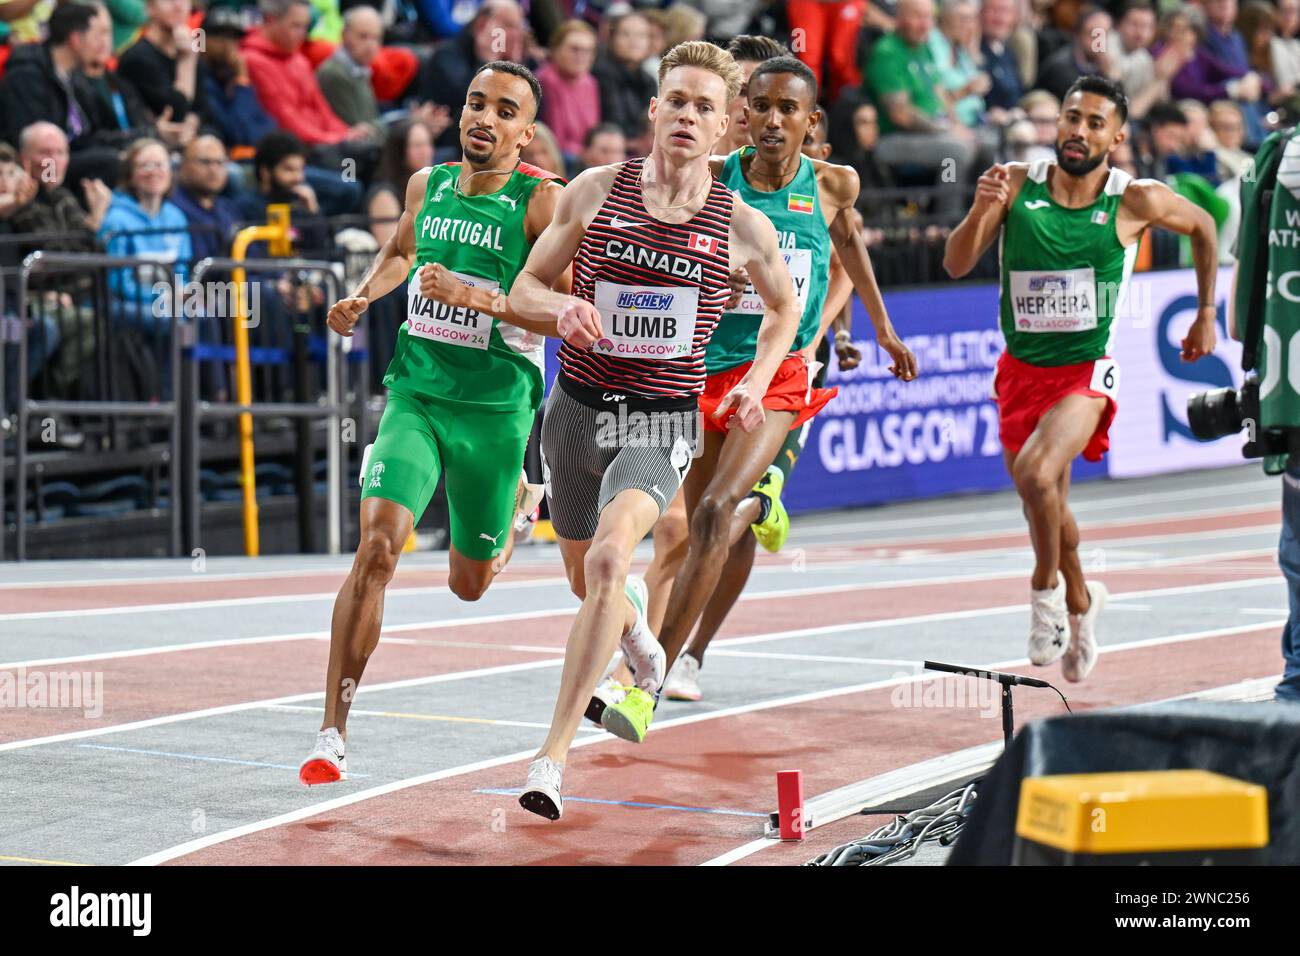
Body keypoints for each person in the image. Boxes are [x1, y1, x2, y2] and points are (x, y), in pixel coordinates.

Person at [507, 40, 806, 820]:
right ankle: (643, 642)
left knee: (611, 561)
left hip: (662, 418)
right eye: (676, 100)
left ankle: (553, 758)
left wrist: (755, 379)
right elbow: (526, 285)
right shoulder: (592, 192)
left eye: (705, 107)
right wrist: (560, 309)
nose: (687, 116)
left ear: (726, 127)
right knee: (586, 584)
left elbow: (785, 308)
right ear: (653, 109)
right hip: (574, 414)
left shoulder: (741, 224)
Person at [297, 61, 566, 786]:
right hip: (416, 394)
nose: (485, 117)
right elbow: (404, 253)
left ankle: (514, 510)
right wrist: (362, 296)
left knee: (469, 586)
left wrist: (477, 295)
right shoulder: (428, 185)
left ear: (526, 131)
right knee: (379, 546)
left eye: (505, 110)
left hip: (498, 413)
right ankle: (332, 731)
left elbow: (563, 311)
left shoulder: (542, 202)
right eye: (476, 102)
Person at [627, 56, 914, 712]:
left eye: (790, 109)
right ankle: (765, 505)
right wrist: (708, 279)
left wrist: (880, 329)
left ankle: (661, 670)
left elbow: (850, 248)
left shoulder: (834, 183)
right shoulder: (713, 179)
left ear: (812, 121)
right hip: (705, 368)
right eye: (761, 106)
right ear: (741, 116)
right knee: (707, 528)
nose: (774, 119)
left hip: (780, 370)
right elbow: (668, 253)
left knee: (711, 514)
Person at [942, 75, 1219, 682]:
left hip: (1086, 373)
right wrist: (983, 208)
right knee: (1046, 501)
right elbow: (956, 263)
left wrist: (1205, 312)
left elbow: (1204, 225)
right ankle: (1083, 600)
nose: (1079, 131)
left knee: (1036, 475)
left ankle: (1045, 595)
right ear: (1058, 123)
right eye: (1072, 117)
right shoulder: (1015, 184)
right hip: (1020, 373)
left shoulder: (1135, 199)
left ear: (1116, 137)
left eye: (1095, 123)